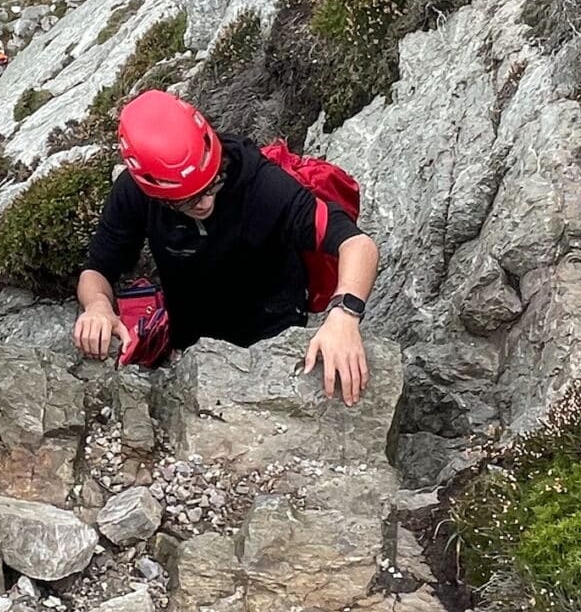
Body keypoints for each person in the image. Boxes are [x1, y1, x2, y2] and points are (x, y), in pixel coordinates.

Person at [72, 90, 381, 406]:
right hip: (194, 346)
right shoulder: (134, 194)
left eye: (213, 184)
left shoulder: (257, 181)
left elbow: (356, 244)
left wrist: (345, 314)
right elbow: (98, 269)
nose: (206, 201)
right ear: (157, 195)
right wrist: (97, 306)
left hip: (273, 335)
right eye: (190, 199)